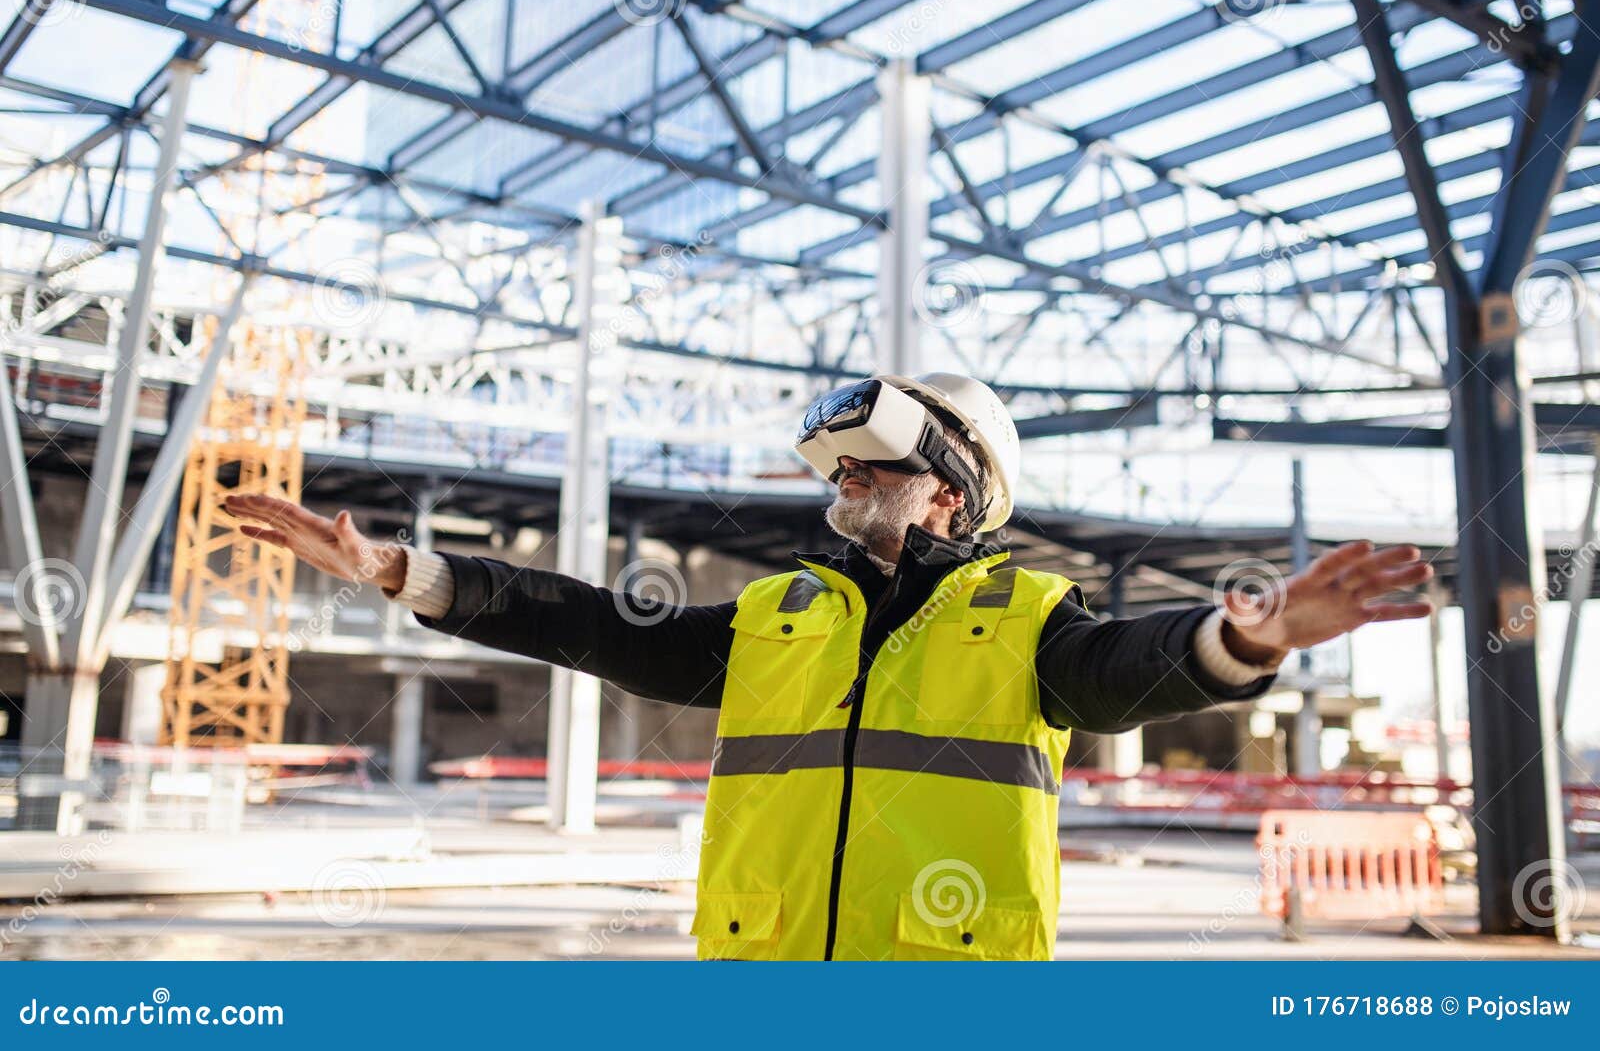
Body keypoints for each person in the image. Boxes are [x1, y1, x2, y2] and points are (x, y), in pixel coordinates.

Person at [224, 371, 1433, 961]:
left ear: (950, 491)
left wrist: (1256, 633)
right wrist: (400, 572)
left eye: (872, 468)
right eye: (839, 469)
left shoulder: (1028, 614)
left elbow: (1131, 668)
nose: (843, 485)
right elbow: (594, 626)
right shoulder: (775, 610)